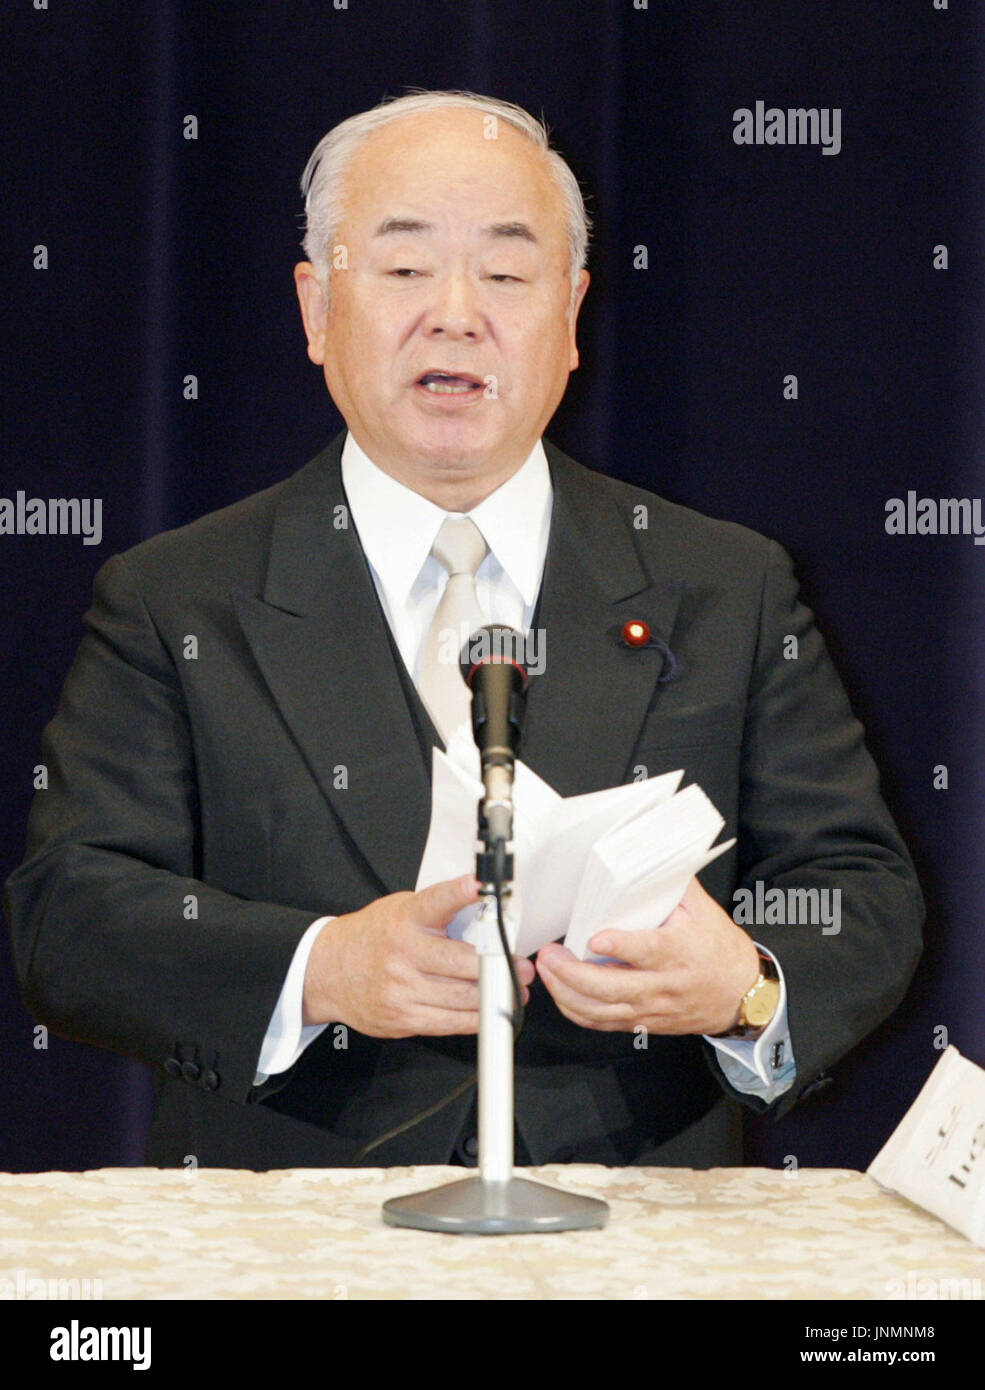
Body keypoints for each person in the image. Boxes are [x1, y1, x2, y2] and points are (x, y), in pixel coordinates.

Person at [4, 90, 924, 1170]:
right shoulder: (176, 596)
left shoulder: (725, 584)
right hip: (291, 1235)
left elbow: (860, 889)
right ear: (313, 309)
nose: (455, 312)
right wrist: (320, 968)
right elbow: (71, 914)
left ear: (571, 314)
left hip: (635, 1235)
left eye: (504, 270)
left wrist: (745, 986)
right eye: (402, 268)